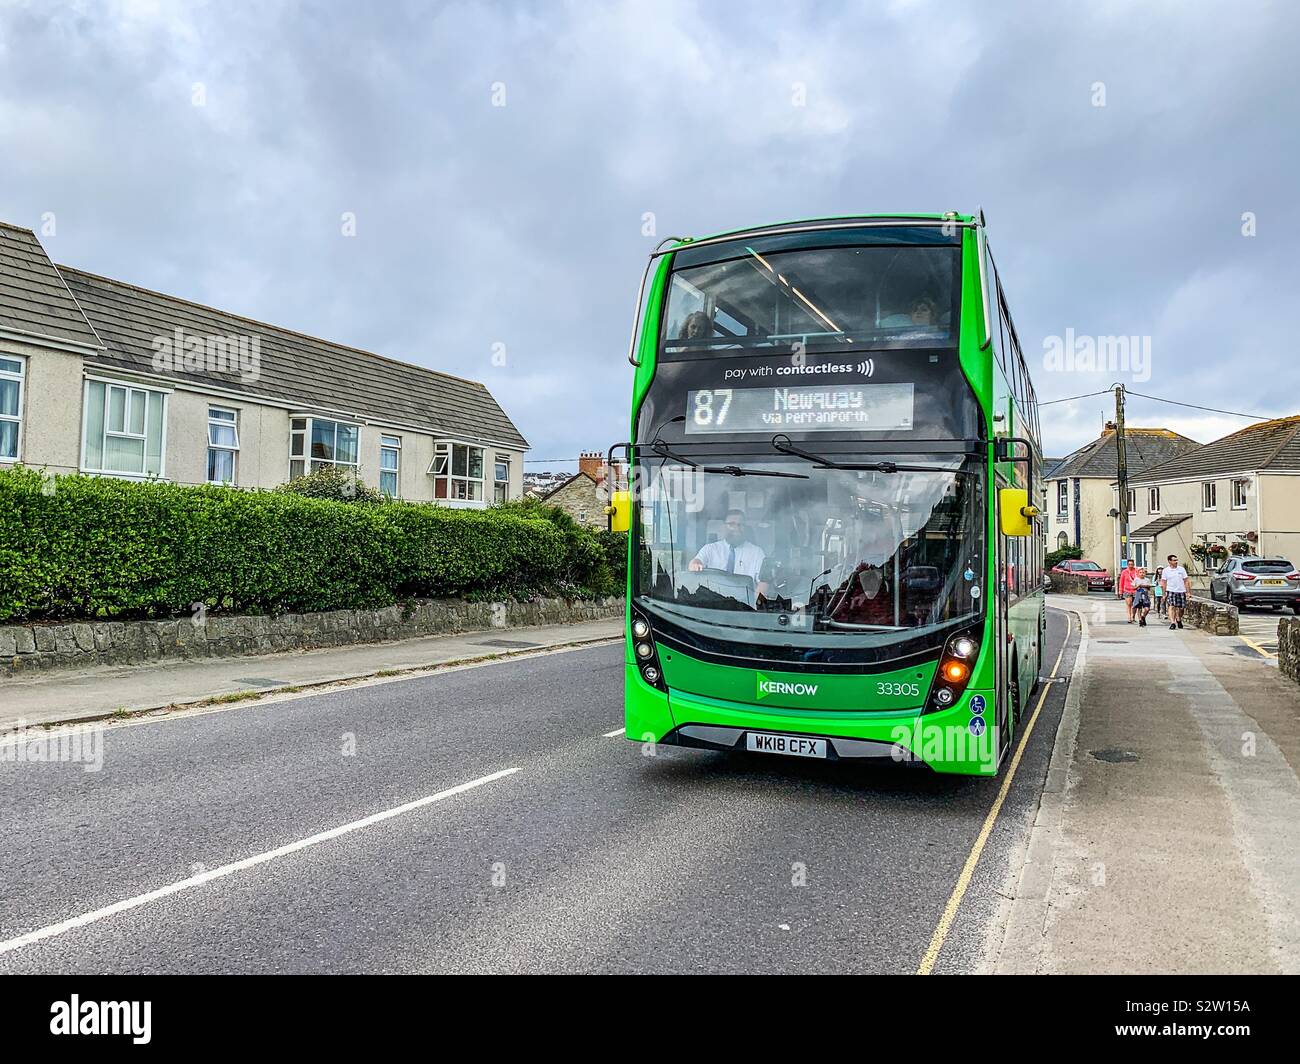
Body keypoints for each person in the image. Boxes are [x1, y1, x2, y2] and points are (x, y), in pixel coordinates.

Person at [689, 509, 768, 596]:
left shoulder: (757, 553)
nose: (736, 528)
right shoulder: (710, 549)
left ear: (745, 528)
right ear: (723, 526)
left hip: (744, 606)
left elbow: (763, 582)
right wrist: (695, 563)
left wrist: (755, 604)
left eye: (740, 525)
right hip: (712, 603)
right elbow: (695, 563)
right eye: (731, 524)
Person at [1161, 553, 1190, 630]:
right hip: (1171, 590)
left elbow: (1186, 580)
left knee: (1181, 608)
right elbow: (1163, 582)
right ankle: (1172, 622)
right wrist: (1163, 593)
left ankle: (1178, 618)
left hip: (1181, 591)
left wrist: (1188, 592)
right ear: (1169, 561)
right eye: (1174, 560)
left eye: (1176, 560)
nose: (1176, 562)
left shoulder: (1181, 569)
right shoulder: (1166, 570)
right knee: (1172, 606)